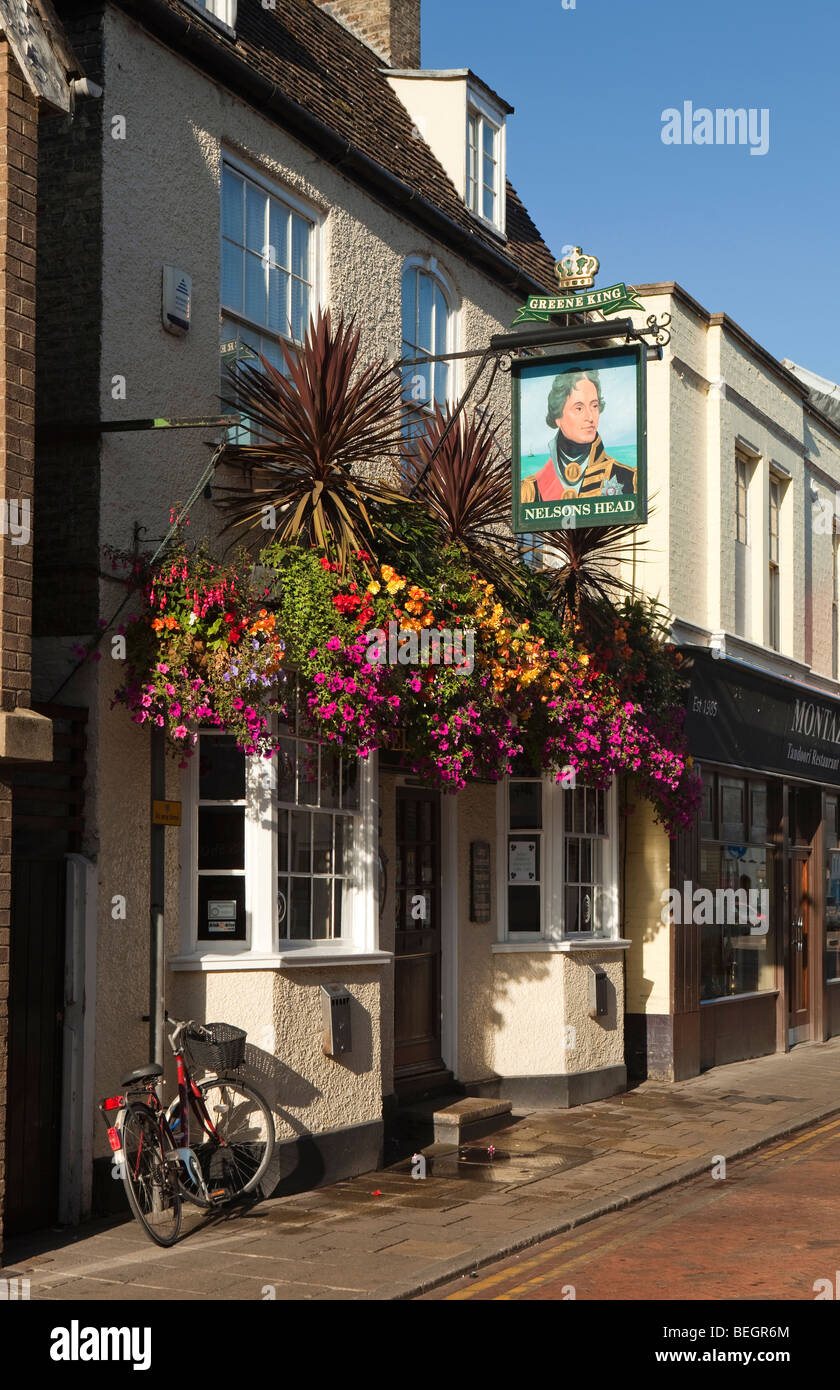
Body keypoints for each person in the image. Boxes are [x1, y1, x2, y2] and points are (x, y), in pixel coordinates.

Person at [520, 368, 636, 505]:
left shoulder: (630, 478)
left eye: (594, 406)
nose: (590, 417)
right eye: (579, 408)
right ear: (558, 416)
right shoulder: (529, 491)